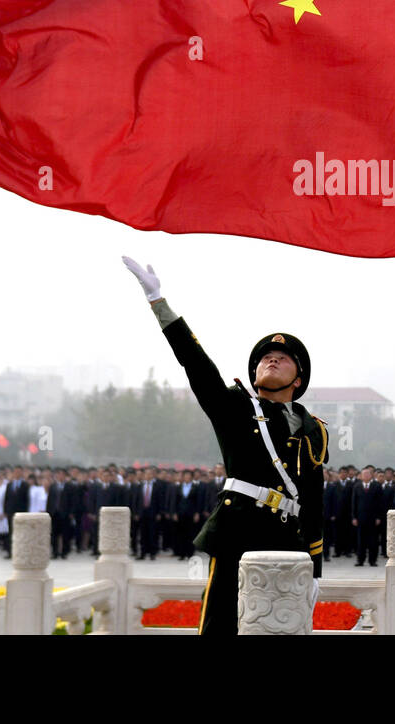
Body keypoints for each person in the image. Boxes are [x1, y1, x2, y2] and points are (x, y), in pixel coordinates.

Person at [122, 256, 327, 636]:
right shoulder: (235, 408)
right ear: (254, 374)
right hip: (239, 527)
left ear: (298, 379)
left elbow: (313, 501)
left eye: (283, 359)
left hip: (287, 536)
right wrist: (158, 302)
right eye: (266, 358)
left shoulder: (314, 429)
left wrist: (315, 569)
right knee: (221, 622)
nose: (272, 359)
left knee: (281, 626)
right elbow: (197, 365)